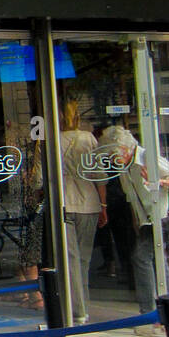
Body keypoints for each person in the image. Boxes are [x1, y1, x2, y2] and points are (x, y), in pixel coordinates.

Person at [99, 125, 169, 336]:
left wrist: (159, 181)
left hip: (163, 216)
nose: (110, 159)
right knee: (158, 261)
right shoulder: (124, 169)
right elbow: (132, 200)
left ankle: (149, 314)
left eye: (112, 154)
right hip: (146, 221)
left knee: (141, 258)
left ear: (124, 149)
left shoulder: (148, 158)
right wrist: (136, 223)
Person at [58, 100, 105, 325]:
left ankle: (77, 310)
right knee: (84, 259)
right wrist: (104, 206)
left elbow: (39, 180)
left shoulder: (52, 140)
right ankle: (83, 305)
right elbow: (100, 175)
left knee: (71, 260)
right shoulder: (88, 138)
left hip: (64, 202)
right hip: (89, 201)